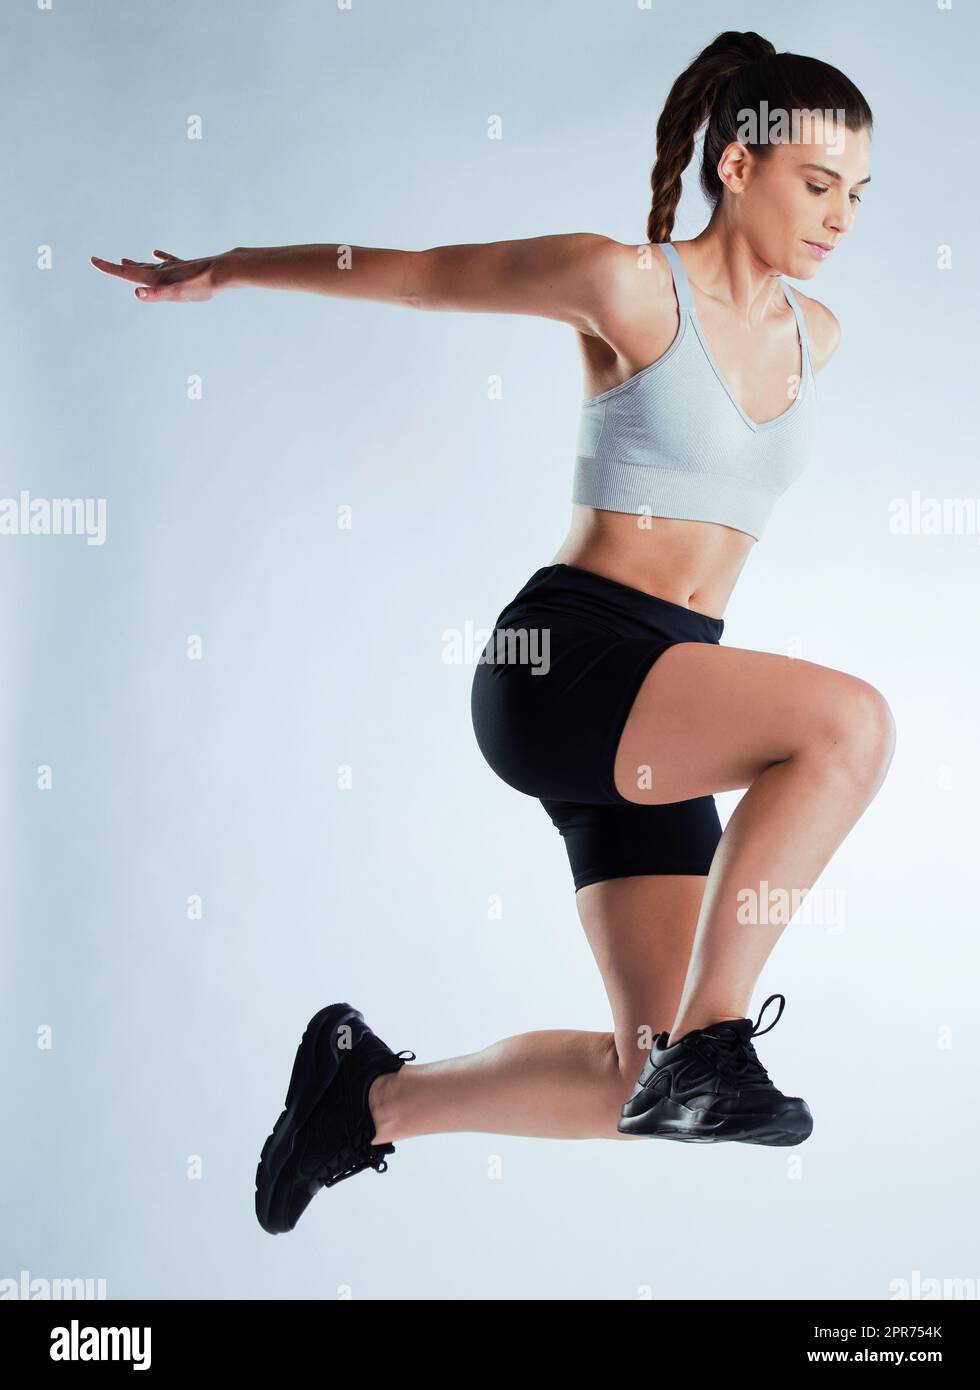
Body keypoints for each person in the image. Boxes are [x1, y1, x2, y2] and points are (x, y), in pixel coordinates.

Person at [92, 29, 894, 1237]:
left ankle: (368, 1100)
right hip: (567, 665)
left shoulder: (812, 335)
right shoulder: (627, 283)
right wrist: (234, 264)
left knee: (640, 1078)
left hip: (661, 704)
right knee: (848, 726)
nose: (838, 215)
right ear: (737, 165)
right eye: (815, 182)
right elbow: (415, 270)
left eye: (856, 193)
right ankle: (717, 1042)